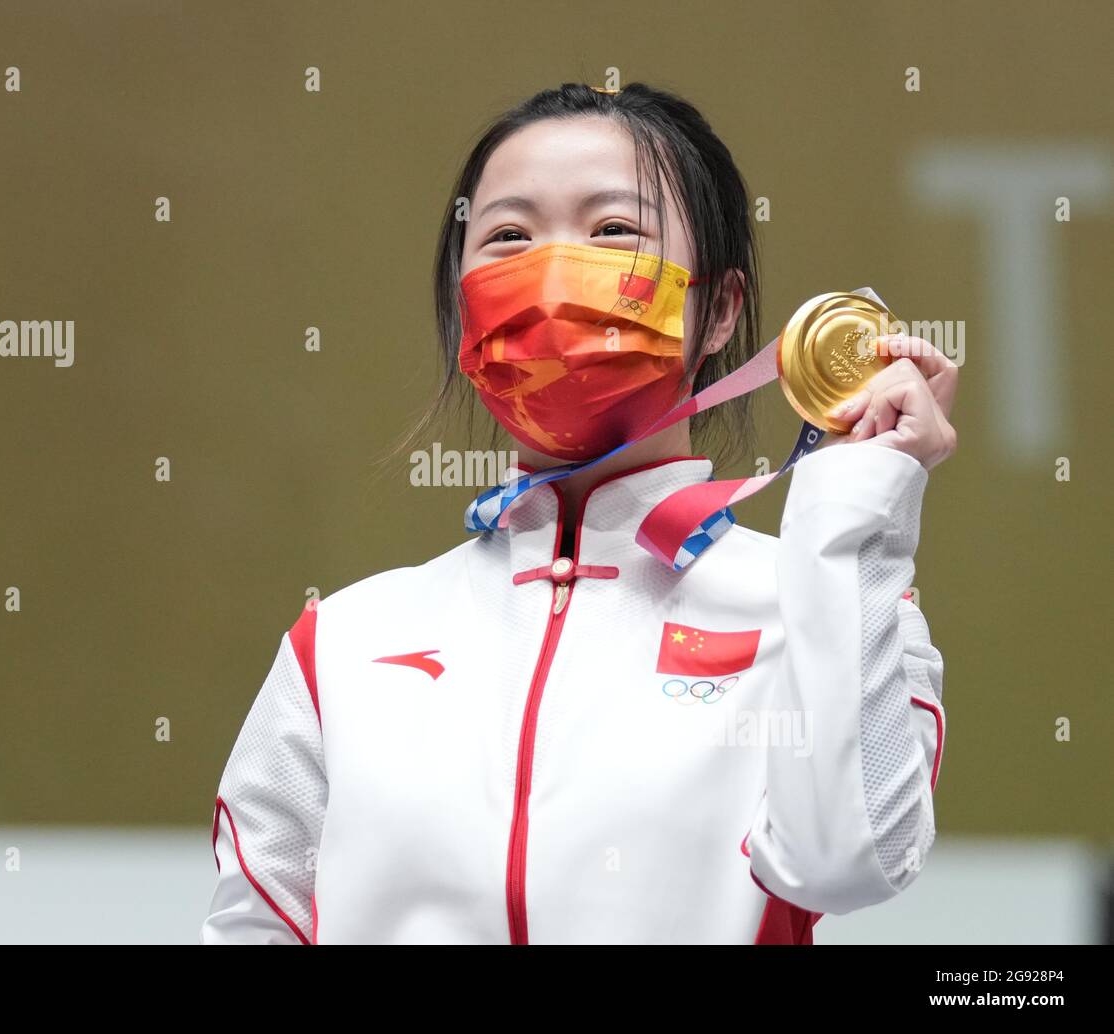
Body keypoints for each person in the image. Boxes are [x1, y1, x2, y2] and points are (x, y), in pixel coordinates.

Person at [201, 82, 958, 945]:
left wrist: (858, 497)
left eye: (612, 232)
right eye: (509, 237)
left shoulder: (817, 603)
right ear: (465, 311)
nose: (553, 274)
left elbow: (846, 860)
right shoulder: (340, 643)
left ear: (721, 309)